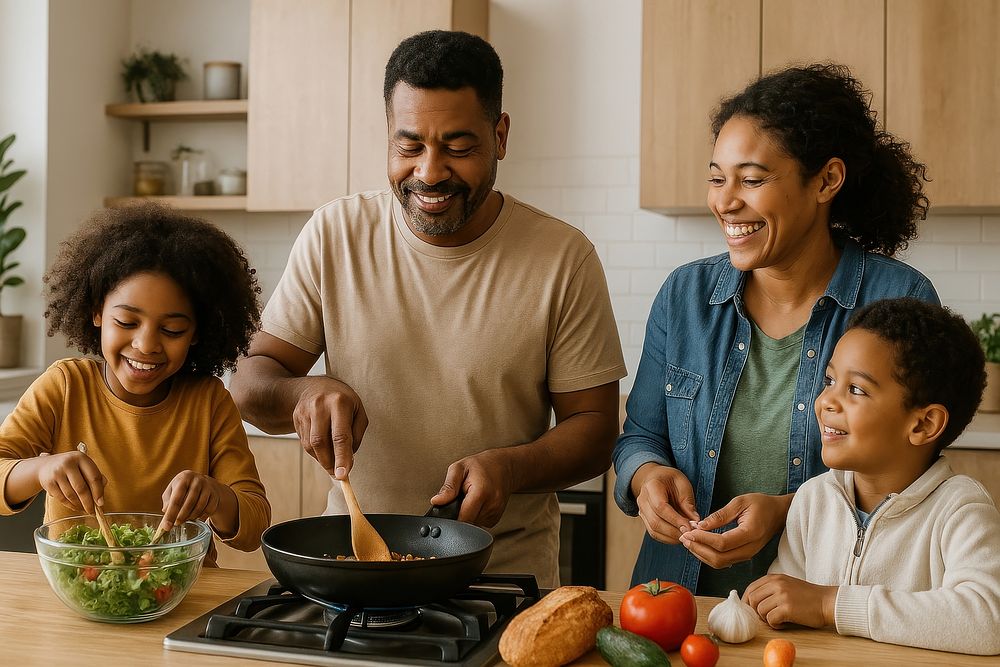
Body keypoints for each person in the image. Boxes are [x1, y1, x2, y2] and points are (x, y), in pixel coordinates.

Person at [230, 30, 625, 587]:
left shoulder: (563, 257)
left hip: (500, 572)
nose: (430, 172)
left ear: (501, 134)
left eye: (458, 148)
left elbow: (595, 428)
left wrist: (509, 468)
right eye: (409, 146)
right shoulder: (335, 234)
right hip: (352, 562)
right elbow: (249, 384)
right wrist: (304, 391)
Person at [613, 63, 941, 597]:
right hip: (679, 604)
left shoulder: (896, 303)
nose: (725, 201)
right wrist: (647, 477)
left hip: (824, 611)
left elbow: (911, 482)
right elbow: (641, 436)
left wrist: (791, 511)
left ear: (826, 181)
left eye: (753, 179)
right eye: (717, 178)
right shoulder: (685, 297)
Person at [0, 203, 270, 566]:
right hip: (80, 587)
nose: (146, 345)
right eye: (127, 322)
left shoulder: (208, 401)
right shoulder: (65, 386)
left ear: (196, 333)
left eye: (172, 330)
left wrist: (216, 497)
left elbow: (255, 524)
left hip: (184, 592)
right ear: (97, 312)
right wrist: (40, 469)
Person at [744, 298, 1000, 655]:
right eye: (830, 380)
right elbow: (785, 612)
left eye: (856, 390)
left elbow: (987, 621)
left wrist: (829, 605)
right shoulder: (812, 500)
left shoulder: (961, 509)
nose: (826, 402)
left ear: (923, 424)